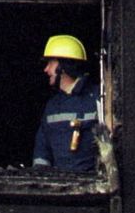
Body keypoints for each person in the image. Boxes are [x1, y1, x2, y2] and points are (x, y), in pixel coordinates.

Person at [32, 37, 99, 175]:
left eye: (50, 63)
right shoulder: (52, 106)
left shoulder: (99, 99)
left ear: (63, 66)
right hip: (60, 188)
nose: (46, 69)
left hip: (92, 187)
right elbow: (42, 150)